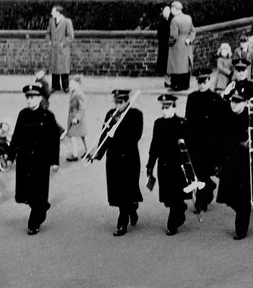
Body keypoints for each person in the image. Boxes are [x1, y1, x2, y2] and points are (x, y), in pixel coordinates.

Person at [10, 83, 61, 234]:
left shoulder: (48, 116)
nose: (29, 101)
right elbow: (16, 136)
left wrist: (54, 161)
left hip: (41, 161)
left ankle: (34, 222)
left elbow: (54, 141)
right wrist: (10, 155)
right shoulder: (23, 115)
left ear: (40, 98)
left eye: (32, 98)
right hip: (25, 160)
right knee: (27, 193)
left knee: (39, 191)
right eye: (27, 98)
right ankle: (42, 206)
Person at [95, 89, 143, 236]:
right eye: (116, 102)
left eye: (121, 102)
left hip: (129, 158)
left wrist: (118, 127)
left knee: (127, 189)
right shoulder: (111, 114)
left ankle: (122, 222)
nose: (118, 105)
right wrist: (98, 153)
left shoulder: (136, 115)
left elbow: (135, 136)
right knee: (118, 190)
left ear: (127, 101)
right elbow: (105, 135)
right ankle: (132, 208)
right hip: (114, 158)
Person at [145, 94, 191, 235]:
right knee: (167, 198)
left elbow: (188, 147)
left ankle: (172, 224)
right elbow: (154, 146)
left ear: (174, 107)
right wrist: (150, 165)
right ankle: (181, 207)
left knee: (175, 194)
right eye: (163, 107)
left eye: (168, 106)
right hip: (163, 165)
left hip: (177, 166)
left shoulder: (181, 123)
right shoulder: (158, 123)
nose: (165, 110)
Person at [185, 69, 224, 214]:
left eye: (204, 81)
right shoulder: (192, 98)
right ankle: (202, 201)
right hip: (196, 141)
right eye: (199, 82)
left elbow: (220, 123)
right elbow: (188, 119)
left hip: (210, 143)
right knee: (198, 172)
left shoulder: (215, 98)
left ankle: (205, 194)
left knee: (205, 171)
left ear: (209, 80)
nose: (202, 84)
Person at [217, 90, 253, 240]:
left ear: (245, 103)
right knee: (229, 196)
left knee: (243, 198)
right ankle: (241, 214)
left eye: (238, 102)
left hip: (244, 162)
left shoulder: (250, 118)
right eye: (232, 101)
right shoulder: (227, 115)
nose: (234, 104)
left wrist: (250, 143)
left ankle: (241, 228)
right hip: (229, 160)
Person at [168, 1, 196, 91]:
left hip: (177, 45)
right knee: (185, 65)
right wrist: (190, 39)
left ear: (176, 9)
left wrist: (169, 43)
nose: (171, 11)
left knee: (176, 65)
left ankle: (176, 85)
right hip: (186, 44)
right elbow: (193, 31)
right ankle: (185, 85)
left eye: (172, 9)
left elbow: (174, 35)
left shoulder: (174, 20)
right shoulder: (188, 18)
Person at [46, 5, 74, 93]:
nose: (51, 13)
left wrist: (63, 44)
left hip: (63, 49)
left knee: (64, 68)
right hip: (54, 48)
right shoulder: (51, 21)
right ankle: (55, 86)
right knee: (54, 67)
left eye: (53, 11)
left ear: (58, 12)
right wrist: (49, 41)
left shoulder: (67, 21)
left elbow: (70, 36)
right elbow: (48, 32)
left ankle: (65, 86)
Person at [64, 74, 88, 161]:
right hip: (74, 117)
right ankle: (87, 151)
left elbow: (82, 108)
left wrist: (77, 118)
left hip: (77, 118)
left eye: (72, 83)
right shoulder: (74, 92)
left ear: (77, 83)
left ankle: (75, 155)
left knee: (73, 136)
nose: (70, 85)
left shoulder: (78, 94)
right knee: (82, 135)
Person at [156, 4, 172, 79]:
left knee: (166, 63)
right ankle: (167, 79)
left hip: (165, 44)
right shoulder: (163, 22)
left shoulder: (164, 20)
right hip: (165, 45)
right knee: (166, 63)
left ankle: (167, 79)